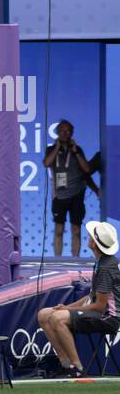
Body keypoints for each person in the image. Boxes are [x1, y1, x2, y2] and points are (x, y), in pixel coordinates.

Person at [37, 222, 120, 377]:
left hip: (109, 318)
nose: (87, 237)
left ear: (94, 243)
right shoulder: (101, 262)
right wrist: (66, 307)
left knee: (57, 318)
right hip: (98, 312)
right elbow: (91, 297)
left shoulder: (107, 267)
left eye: (90, 236)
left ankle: (77, 368)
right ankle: (65, 364)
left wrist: (69, 310)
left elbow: (99, 307)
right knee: (43, 314)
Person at [43, 120, 93, 256]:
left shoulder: (78, 150)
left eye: (68, 131)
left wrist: (76, 152)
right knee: (59, 229)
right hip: (59, 195)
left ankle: (75, 260)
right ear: (58, 133)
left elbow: (87, 169)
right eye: (62, 131)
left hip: (77, 194)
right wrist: (56, 147)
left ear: (72, 133)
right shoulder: (51, 149)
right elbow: (46, 163)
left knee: (76, 229)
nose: (65, 134)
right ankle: (57, 260)